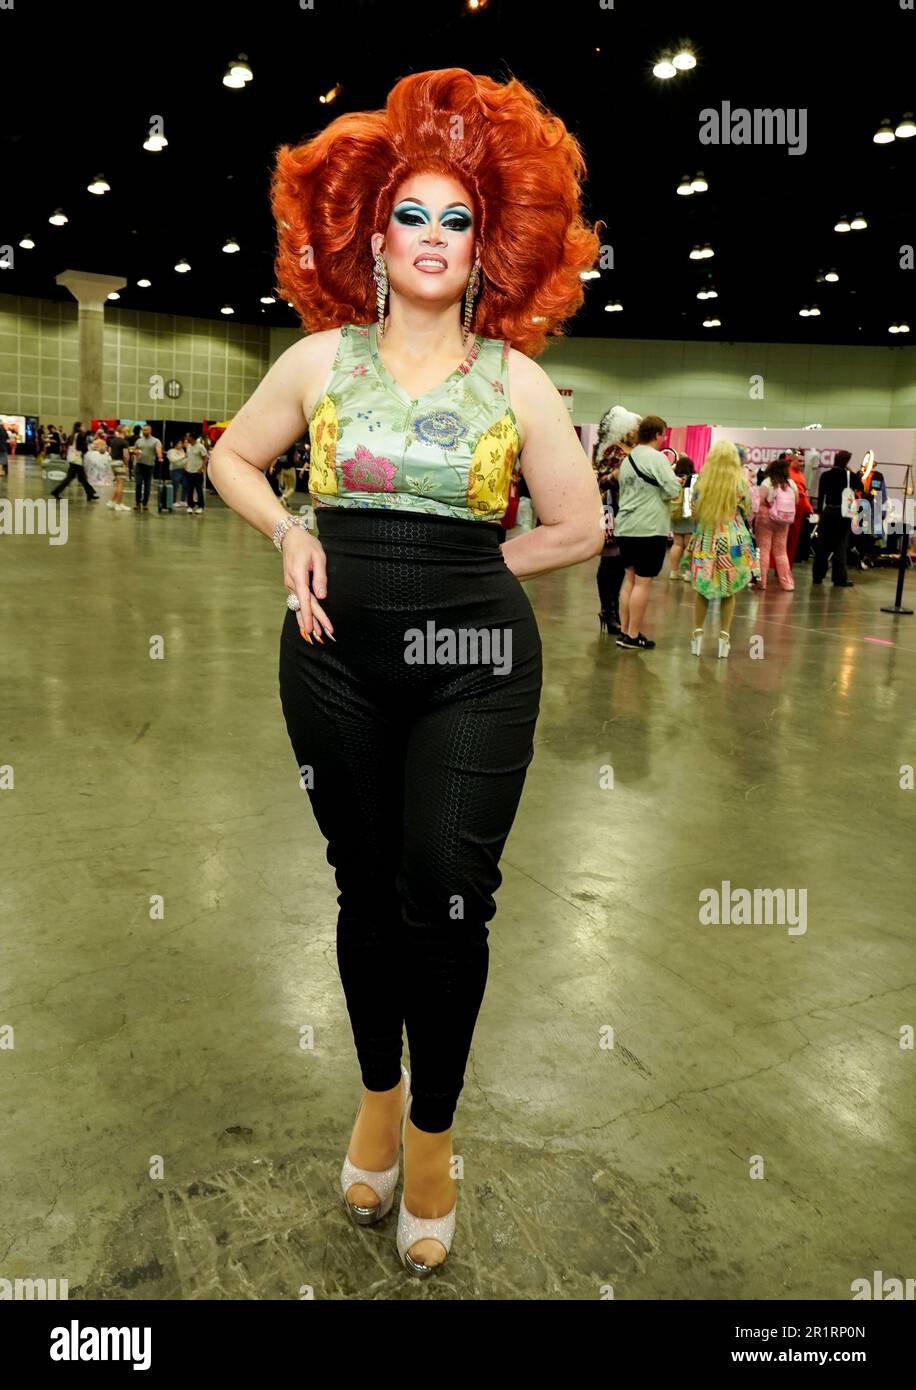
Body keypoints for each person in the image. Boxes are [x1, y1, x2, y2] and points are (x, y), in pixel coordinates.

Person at [207, 66, 603, 1279]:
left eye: (457, 219)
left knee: (447, 890)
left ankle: (433, 1136)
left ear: (488, 247)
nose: (432, 235)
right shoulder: (317, 361)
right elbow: (232, 459)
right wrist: (291, 530)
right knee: (366, 887)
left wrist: (476, 572)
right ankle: (379, 1099)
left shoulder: (515, 379)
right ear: (373, 237)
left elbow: (581, 525)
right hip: (333, 660)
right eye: (410, 215)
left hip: (475, 665)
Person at [682, 440, 759, 657]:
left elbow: (693, 513)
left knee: (702, 589)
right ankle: (724, 640)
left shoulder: (701, 482)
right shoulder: (741, 484)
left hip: (706, 537)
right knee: (728, 591)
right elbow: (748, 512)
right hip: (733, 540)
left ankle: (697, 636)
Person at [614, 414, 683, 650]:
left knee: (629, 581)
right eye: (663, 434)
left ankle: (624, 631)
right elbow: (673, 490)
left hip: (625, 527)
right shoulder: (657, 458)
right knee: (643, 584)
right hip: (649, 528)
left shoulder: (628, 459)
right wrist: (675, 483)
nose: (664, 438)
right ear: (656, 434)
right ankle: (633, 635)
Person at [593, 405, 640, 633]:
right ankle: (607, 610)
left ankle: (614, 609)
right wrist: (617, 475)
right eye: (634, 428)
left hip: (630, 511)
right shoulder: (614, 450)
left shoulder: (635, 451)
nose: (636, 432)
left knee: (622, 563)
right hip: (612, 510)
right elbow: (601, 481)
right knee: (610, 561)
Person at [812, 448, 856, 587]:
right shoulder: (849, 476)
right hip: (842, 514)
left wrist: (820, 513)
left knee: (822, 545)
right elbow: (861, 486)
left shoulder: (825, 475)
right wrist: (853, 472)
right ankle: (839, 578)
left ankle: (818, 575)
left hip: (828, 511)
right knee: (840, 546)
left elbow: (821, 497)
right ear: (846, 462)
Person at [755, 457, 798, 591]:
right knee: (781, 552)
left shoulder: (767, 482)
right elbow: (796, 502)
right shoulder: (791, 484)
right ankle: (787, 583)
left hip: (765, 520)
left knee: (763, 550)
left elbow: (759, 501)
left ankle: (761, 582)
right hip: (783, 522)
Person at [50, 422, 99, 502]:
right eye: (82, 426)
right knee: (75, 478)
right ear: (79, 427)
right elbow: (79, 447)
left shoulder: (73, 435)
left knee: (81, 478)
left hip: (72, 458)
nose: (84, 427)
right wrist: (86, 447)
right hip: (77, 459)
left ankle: (90, 494)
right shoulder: (79, 435)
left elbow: (68, 444)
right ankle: (56, 491)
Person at [667, 454, 696, 579]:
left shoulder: (672, 479)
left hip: (675, 514)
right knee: (689, 545)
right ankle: (688, 573)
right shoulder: (694, 479)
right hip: (690, 515)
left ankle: (674, 571)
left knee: (677, 544)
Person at [786, 451, 814, 564]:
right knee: (786, 535)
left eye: (803, 461)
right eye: (800, 461)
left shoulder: (801, 475)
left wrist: (808, 507)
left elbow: (803, 493)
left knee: (794, 536)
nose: (802, 464)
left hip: (800, 508)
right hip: (789, 506)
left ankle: (790, 561)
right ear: (792, 460)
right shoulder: (787, 472)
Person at [132, 424, 163, 511]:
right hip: (139, 465)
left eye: (146, 430)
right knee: (138, 484)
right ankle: (137, 503)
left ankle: (145, 503)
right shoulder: (139, 441)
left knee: (147, 485)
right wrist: (136, 452)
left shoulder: (156, 441)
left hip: (149, 466)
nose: (144, 431)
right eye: (143, 430)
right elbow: (135, 449)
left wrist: (160, 457)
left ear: (150, 431)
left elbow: (158, 449)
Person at [183, 432, 208, 513]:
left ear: (192, 438)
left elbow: (205, 458)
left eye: (188, 437)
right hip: (189, 471)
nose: (186, 438)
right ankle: (190, 505)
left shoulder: (200, 447)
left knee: (199, 490)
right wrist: (185, 465)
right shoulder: (188, 446)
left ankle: (201, 506)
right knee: (189, 490)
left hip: (197, 472)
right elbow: (188, 456)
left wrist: (201, 468)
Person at [167, 438, 188, 509]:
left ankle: (183, 500)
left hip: (183, 470)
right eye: (179, 443)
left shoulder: (182, 451)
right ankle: (173, 501)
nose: (180, 445)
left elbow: (185, 460)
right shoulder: (171, 451)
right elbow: (173, 460)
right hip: (175, 470)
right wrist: (183, 457)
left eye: (181, 443)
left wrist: (185, 461)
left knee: (186, 485)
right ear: (175, 444)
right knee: (175, 486)